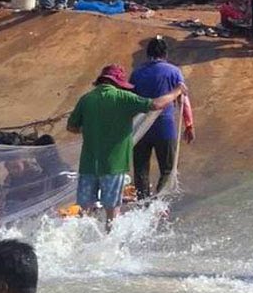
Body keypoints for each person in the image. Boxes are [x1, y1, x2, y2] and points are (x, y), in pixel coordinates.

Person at [66, 64, 183, 231]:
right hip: (114, 166)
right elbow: (156, 104)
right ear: (118, 83)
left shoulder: (86, 99)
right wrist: (177, 91)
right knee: (112, 213)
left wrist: (92, 128)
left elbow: (71, 127)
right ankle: (109, 248)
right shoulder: (123, 98)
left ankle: (78, 245)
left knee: (84, 211)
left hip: (88, 165)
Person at [129, 36, 194, 200]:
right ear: (165, 53)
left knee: (141, 168)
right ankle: (159, 200)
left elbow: (129, 100)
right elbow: (183, 99)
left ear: (147, 53)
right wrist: (189, 124)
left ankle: (143, 202)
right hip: (164, 126)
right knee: (168, 167)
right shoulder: (173, 71)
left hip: (140, 127)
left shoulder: (137, 73)